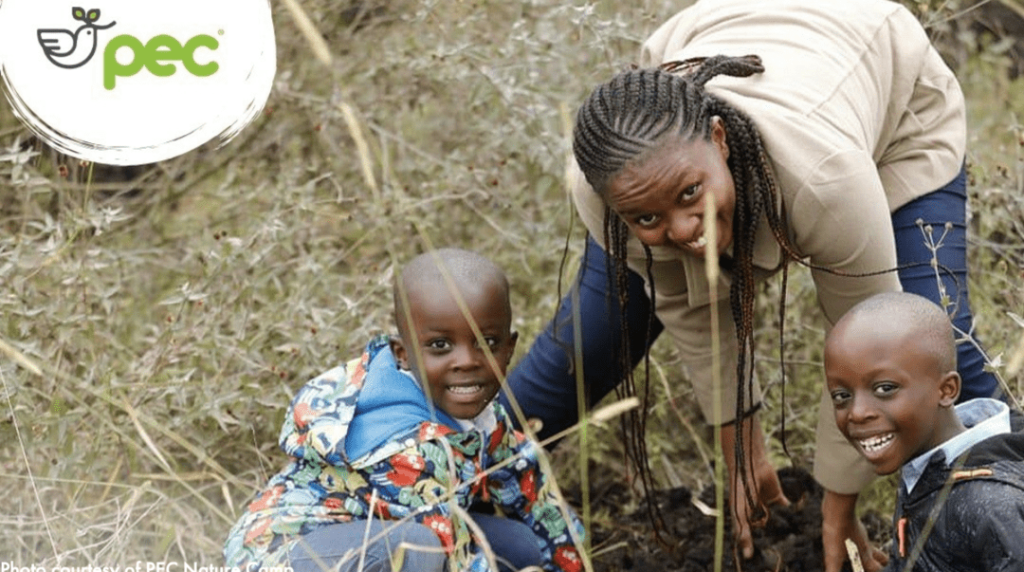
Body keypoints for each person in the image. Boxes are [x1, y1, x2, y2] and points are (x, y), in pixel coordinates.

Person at [500, 0, 1003, 570]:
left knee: (929, 338)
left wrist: (835, 509)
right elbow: (691, 309)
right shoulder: (618, 184)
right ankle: (456, 473)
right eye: (647, 218)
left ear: (718, 138)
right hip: (718, 36)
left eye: (691, 193)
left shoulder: (826, 178)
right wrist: (739, 450)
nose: (685, 230)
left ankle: (1003, 505)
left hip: (886, 93)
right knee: (596, 334)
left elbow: (871, 342)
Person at [224, 248, 585, 572]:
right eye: (440, 345)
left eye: (486, 343)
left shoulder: (484, 417)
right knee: (418, 550)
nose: (467, 362)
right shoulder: (412, 448)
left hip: (370, 535)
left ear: (509, 348)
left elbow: (529, 480)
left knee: (519, 547)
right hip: (288, 556)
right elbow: (454, 556)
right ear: (402, 354)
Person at [824, 291, 1024, 572]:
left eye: (885, 389)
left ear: (946, 390)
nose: (857, 412)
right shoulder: (925, 463)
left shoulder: (991, 505)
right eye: (842, 395)